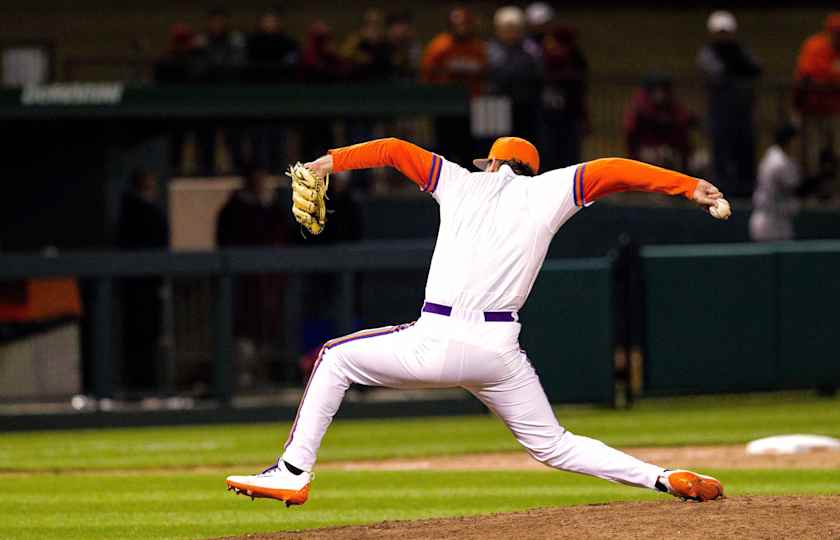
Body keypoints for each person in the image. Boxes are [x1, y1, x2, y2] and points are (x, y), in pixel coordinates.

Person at [225, 136, 727, 506]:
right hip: (498, 351)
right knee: (553, 444)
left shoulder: (459, 181)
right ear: (531, 168)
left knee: (335, 358)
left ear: (490, 163)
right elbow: (615, 168)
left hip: (435, 337)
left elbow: (395, 149)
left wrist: (326, 162)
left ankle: (293, 470)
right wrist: (687, 186)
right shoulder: (549, 192)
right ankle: (663, 478)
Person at [216, 166, 290, 386]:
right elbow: (225, 240)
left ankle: (265, 376)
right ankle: (242, 378)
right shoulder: (233, 209)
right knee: (244, 330)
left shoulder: (273, 209)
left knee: (268, 331)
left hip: (269, 283)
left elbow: (283, 239)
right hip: (243, 283)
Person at [697, 10, 762, 198]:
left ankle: (746, 191)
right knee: (721, 155)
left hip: (743, 113)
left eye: (727, 33)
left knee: (745, 153)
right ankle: (720, 193)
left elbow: (756, 68)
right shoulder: (707, 54)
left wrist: (738, 63)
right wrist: (737, 67)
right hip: (720, 115)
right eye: (720, 33)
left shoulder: (741, 51)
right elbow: (717, 74)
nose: (724, 37)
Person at [117, 170, 169, 394]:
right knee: (140, 339)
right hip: (139, 288)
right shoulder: (134, 211)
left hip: (147, 287)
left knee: (147, 339)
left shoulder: (139, 210)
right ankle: (141, 388)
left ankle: (145, 386)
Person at [421, 7, 487, 165]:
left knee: (469, 150)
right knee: (444, 151)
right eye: (457, 24)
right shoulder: (439, 46)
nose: (461, 28)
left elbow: (485, 73)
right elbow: (426, 75)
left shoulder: (478, 47)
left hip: (471, 107)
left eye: (465, 24)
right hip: (445, 107)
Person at [526, 6, 589, 169]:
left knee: (569, 157)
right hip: (545, 117)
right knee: (547, 156)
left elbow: (580, 91)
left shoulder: (575, 60)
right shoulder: (537, 56)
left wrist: (583, 117)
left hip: (568, 117)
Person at [194, 7, 248, 175]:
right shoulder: (202, 44)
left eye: (220, 21)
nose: (217, 25)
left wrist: (216, 67)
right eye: (213, 21)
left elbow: (237, 67)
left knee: (234, 140)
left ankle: (239, 172)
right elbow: (197, 71)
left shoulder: (234, 42)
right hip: (207, 99)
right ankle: (206, 171)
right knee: (206, 139)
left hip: (231, 98)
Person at [246, 7, 299, 173]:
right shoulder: (253, 43)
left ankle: (278, 168)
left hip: (281, 98)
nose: (270, 24)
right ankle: (261, 169)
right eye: (266, 20)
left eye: (273, 21)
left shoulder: (288, 42)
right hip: (258, 98)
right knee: (259, 136)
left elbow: (294, 66)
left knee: (279, 135)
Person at [794, 12, 840, 187]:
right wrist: (832, 76)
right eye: (836, 32)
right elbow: (810, 75)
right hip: (811, 109)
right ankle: (811, 187)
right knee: (811, 152)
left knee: (833, 151)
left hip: (833, 110)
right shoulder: (815, 46)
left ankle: (831, 186)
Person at [486, 7, 543, 144]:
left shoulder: (531, 49)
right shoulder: (488, 50)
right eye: (506, 28)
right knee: (496, 143)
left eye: (514, 28)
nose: (510, 33)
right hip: (495, 104)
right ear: (497, 29)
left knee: (524, 141)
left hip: (525, 104)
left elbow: (539, 72)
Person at [624, 73, 696, 172]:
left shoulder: (672, 108)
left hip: (669, 149)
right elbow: (631, 133)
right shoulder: (640, 108)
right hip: (646, 148)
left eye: (663, 90)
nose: (660, 94)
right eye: (656, 90)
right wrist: (635, 155)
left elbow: (683, 127)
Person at [750, 125, 801, 242]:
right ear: (789, 141)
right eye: (796, 140)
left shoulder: (775, 156)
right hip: (770, 224)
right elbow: (796, 187)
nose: (798, 144)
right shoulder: (779, 161)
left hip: (775, 221)